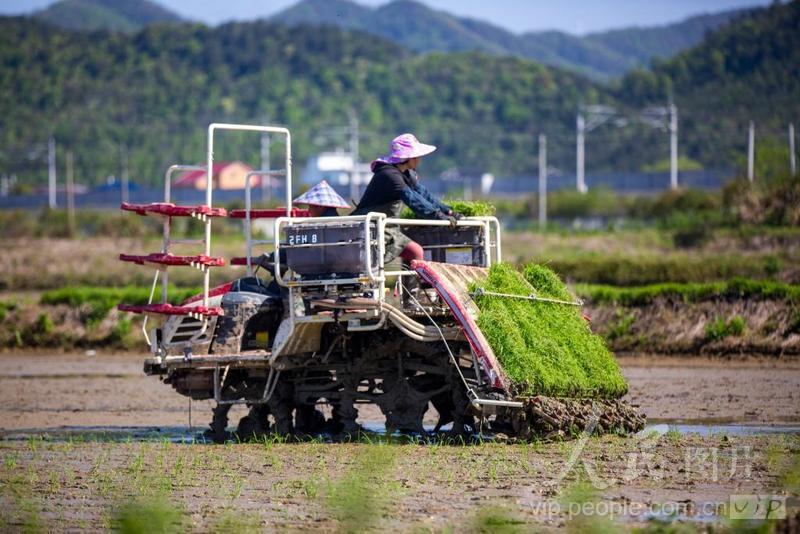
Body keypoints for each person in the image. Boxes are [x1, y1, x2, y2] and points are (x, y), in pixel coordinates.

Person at [352, 133, 461, 263]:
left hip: (386, 227)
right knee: (414, 252)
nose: (419, 159)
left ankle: (411, 277)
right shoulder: (389, 175)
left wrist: (448, 211)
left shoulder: (406, 173)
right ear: (406, 158)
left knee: (415, 252)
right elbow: (413, 200)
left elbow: (424, 195)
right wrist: (439, 217)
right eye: (416, 156)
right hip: (370, 228)